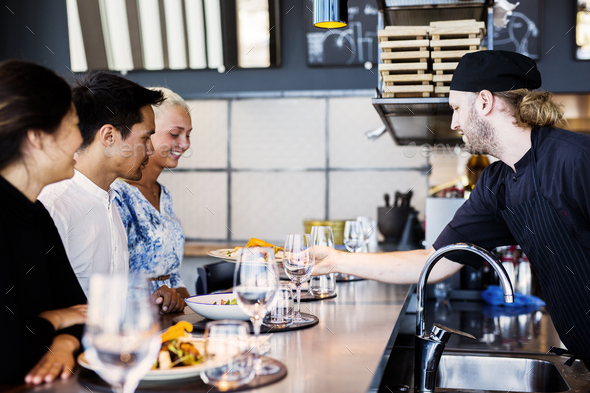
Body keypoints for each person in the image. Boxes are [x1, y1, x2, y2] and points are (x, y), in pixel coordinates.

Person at [314, 50, 590, 368]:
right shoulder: (496, 184)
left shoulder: (575, 160)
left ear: (485, 102)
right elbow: (436, 262)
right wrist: (337, 260)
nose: (455, 123)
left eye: (457, 108)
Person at [39, 72, 184, 314]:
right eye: (146, 138)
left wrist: (145, 304)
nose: (150, 149)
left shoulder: (108, 202)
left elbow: (105, 306)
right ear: (109, 136)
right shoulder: (54, 206)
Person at [0, 60, 87, 384]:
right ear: (37, 136)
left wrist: (63, 342)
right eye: (74, 124)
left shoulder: (35, 212)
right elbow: (7, 358)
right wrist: (56, 318)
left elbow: (81, 310)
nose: (80, 138)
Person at [112, 87, 192, 304]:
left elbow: (171, 272)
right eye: (175, 134)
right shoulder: (117, 195)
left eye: (188, 134)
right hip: (133, 322)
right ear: (148, 130)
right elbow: (108, 279)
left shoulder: (162, 193)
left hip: (170, 318)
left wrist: (196, 306)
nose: (185, 144)